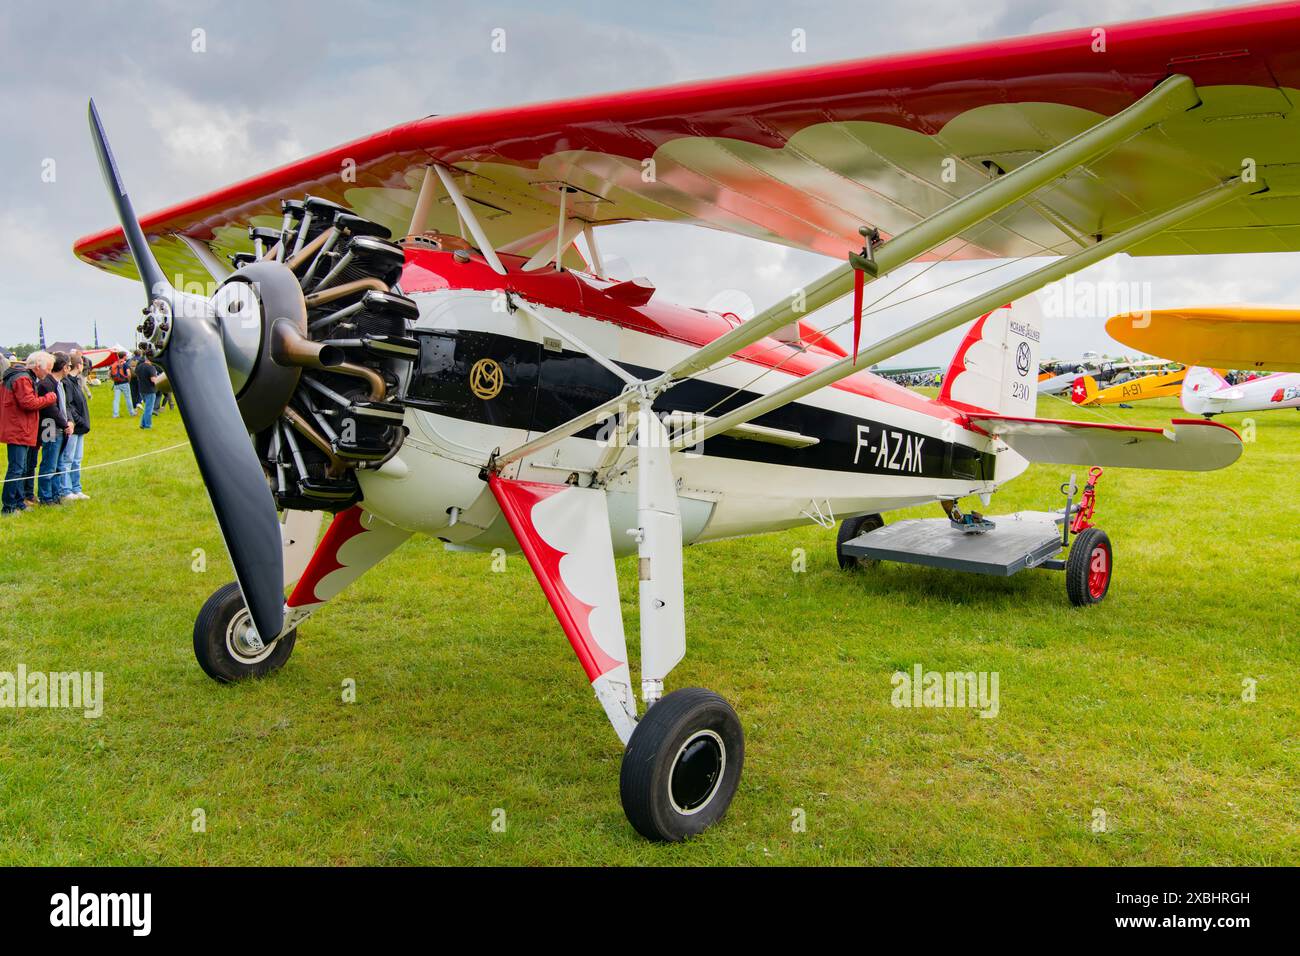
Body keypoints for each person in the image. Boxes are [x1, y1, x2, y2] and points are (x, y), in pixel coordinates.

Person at [1, 352, 58, 516]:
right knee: (16, 469)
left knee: (22, 468)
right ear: (38, 366)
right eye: (47, 368)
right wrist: (49, 398)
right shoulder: (22, 379)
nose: (48, 372)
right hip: (18, 429)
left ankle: (19, 502)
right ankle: (9, 506)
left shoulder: (22, 377)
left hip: (20, 429)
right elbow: (28, 402)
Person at [34, 351, 73, 505]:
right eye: (69, 365)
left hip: (60, 428)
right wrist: (65, 424)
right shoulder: (46, 384)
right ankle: (46, 497)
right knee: (49, 465)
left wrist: (69, 421)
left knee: (58, 464)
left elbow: (65, 406)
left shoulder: (59, 384)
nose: (70, 368)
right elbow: (51, 409)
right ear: (64, 367)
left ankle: (56, 495)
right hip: (49, 428)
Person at [59, 356, 91, 500]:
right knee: (68, 459)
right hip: (74, 427)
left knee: (77, 459)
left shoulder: (76, 381)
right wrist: (79, 421)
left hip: (80, 428)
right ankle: (66, 490)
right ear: (79, 365)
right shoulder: (66, 382)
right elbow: (69, 406)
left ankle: (76, 488)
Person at [136, 354, 161, 429]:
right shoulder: (151, 368)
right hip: (150, 390)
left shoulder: (139, 367)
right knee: (149, 409)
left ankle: (142, 424)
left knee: (147, 407)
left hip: (141, 390)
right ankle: (148, 425)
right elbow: (153, 380)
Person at [109, 350, 134, 417]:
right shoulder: (125, 364)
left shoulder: (114, 364)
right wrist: (128, 381)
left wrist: (114, 380)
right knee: (128, 398)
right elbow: (129, 374)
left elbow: (109, 374)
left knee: (116, 400)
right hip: (125, 383)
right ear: (124, 356)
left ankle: (115, 414)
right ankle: (131, 413)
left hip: (116, 384)